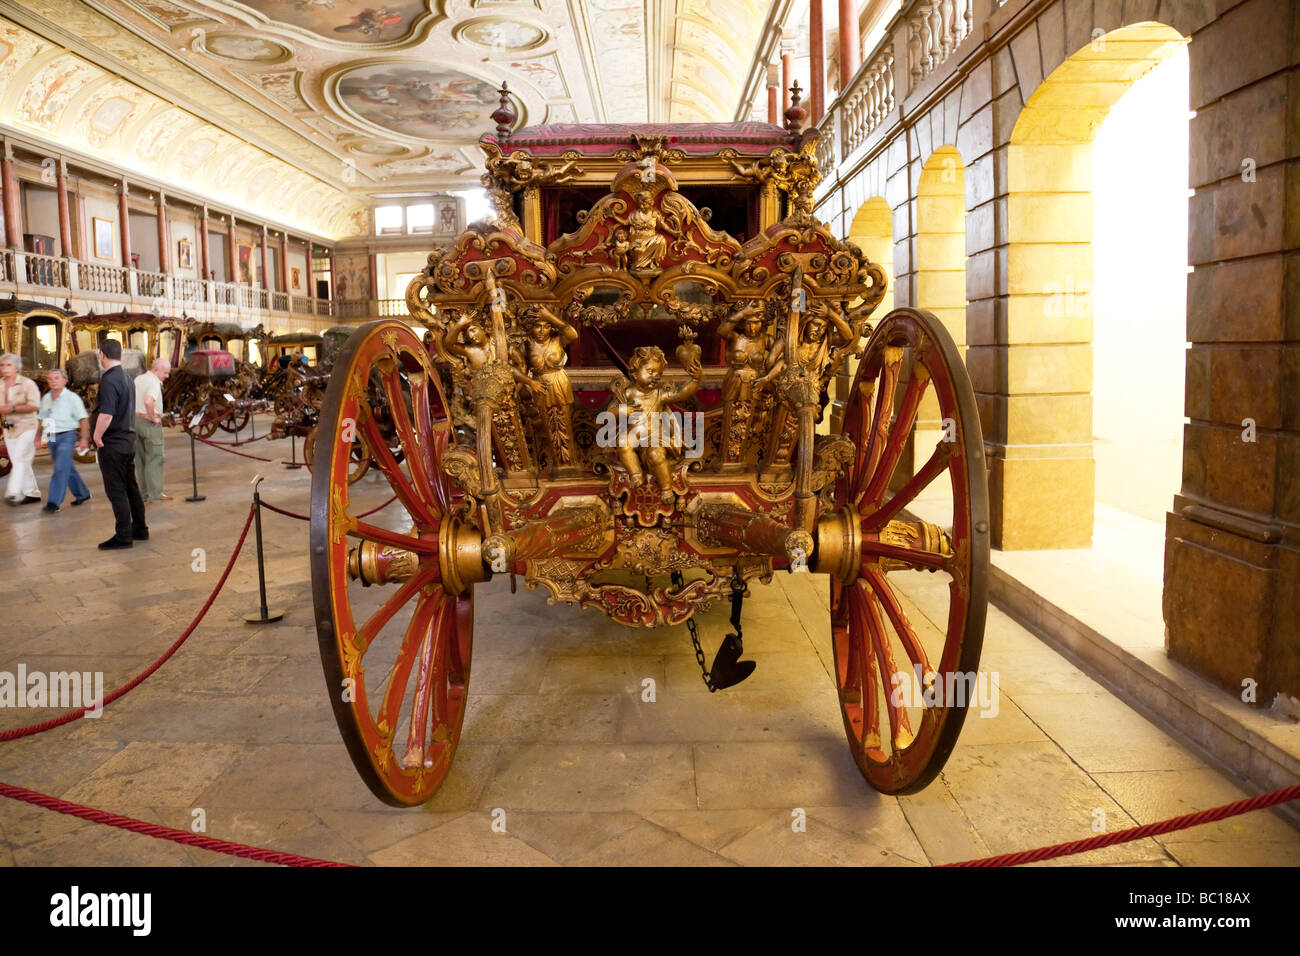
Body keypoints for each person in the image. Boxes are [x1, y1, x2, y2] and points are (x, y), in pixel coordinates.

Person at [92, 340, 147, 550]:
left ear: (102, 355)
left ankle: (123, 535)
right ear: (120, 356)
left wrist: (97, 437)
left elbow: (106, 414)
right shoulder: (127, 377)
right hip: (128, 439)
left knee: (116, 490)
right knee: (131, 487)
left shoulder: (109, 380)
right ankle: (140, 529)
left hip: (113, 442)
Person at [34, 368, 91, 512]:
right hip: (51, 436)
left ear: (64, 381)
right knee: (67, 467)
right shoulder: (46, 398)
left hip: (67, 436)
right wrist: (37, 437)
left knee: (60, 468)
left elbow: (83, 419)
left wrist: (84, 439)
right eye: (50, 378)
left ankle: (54, 503)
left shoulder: (72, 398)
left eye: (56, 378)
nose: (53, 381)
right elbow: (41, 419)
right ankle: (82, 494)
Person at [0, 353, 42, 505]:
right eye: (2, 365)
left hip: (27, 426)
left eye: (8, 365)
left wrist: (12, 408)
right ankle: (32, 493)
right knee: (21, 460)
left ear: (16, 367)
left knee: (18, 458)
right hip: (9, 429)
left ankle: (13, 492)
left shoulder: (27, 384)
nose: (5, 368)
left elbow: (35, 405)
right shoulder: (0, 385)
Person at [134, 357, 171, 502]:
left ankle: (144, 493)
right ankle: (155, 494)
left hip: (135, 421)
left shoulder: (138, 379)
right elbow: (148, 401)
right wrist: (153, 417)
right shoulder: (154, 382)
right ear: (156, 370)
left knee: (140, 459)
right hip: (149, 423)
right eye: (165, 373)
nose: (167, 376)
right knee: (155, 458)